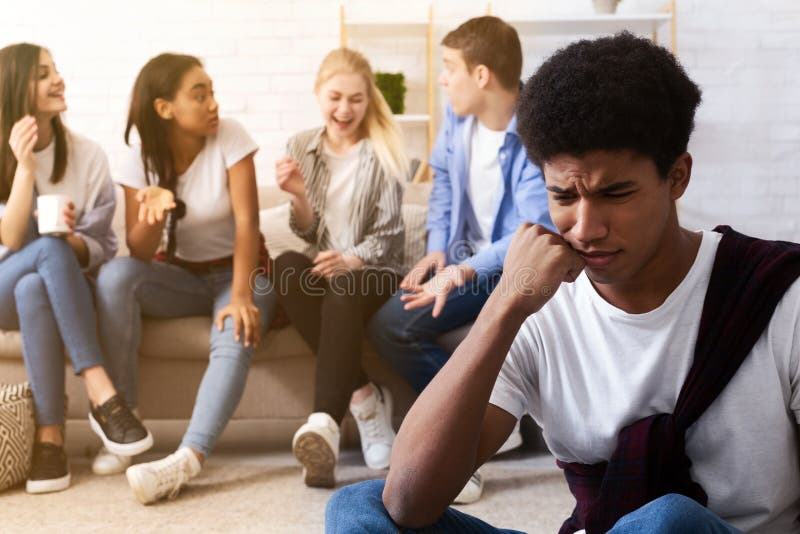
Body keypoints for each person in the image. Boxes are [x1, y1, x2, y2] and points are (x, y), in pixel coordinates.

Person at [326, 32, 800, 533]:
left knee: (669, 520)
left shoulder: (779, 297)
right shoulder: (540, 307)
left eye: (615, 194)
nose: (585, 228)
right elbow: (409, 501)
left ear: (677, 177)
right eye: (564, 197)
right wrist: (504, 304)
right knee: (359, 506)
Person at [367, 15, 553, 503]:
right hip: (464, 259)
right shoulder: (456, 117)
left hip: (515, 268)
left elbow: (533, 231)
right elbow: (444, 186)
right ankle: (485, 422)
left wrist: (462, 270)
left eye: (450, 67)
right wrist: (437, 250)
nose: (443, 79)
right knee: (391, 324)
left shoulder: (537, 131)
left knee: (399, 323)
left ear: (482, 75)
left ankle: (465, 441)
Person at [94, 53, 277, 504]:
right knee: (115, 277)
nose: (213, 104)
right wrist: (155, 212)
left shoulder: (230, 136)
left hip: (242, 271)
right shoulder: (139, 160)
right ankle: (125, 425)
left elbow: (247, 222)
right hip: (181, 278)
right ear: (164, 108)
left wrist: (240, 296)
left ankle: (188, 458)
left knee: (235, 327)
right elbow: (139, 251)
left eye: (212, 92)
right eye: (199, 95)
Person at [0, 43, 152, 494]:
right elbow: (10, 240)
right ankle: (101, 392)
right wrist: (24, 167)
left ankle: (50, 439)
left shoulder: (88, 156)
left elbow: (104, 245)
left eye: (56, 70)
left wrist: (71, 240)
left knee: (35, 286)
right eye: (43, 73)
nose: (58, 79)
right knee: (41, 256)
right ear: (15, 86)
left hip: (62, 290)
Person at [271, 47, 407, 488]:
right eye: (335, 97)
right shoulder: (300, 146)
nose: (344, 110)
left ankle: (325, 425)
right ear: (318, 94)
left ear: (369, 100)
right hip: (327, 268)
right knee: (286, 265)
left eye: (356, 99)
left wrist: (350, 259)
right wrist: (298, 195)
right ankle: (366, 398)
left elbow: (389, 236)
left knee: (344, 288)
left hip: (376, 270)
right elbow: (306, 232)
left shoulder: (384, 150)